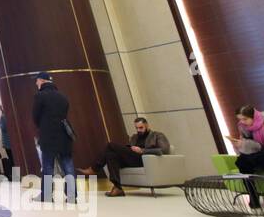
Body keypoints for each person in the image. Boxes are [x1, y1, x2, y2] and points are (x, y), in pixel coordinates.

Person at [80, 117, 171, 197]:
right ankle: (118, 188)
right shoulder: (135, 137)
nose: (138, 130)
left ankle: (94, 168)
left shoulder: (157, 135)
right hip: (133, 158)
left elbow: (164, 150)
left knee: (110, 145)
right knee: (110, 155)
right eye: (136, 128)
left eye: (141, 128)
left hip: (144, 159)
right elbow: (130, 149)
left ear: (147, 125)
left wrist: (143, 150)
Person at [32, 72, 76, 202]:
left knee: (48, 167)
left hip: (48, 136)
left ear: (42, 81)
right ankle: (72, 196)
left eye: (37, 81)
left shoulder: (40, 96)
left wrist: (44, 125)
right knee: (68, 166)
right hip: (64, 135)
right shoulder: (63, 96)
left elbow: (35, 117)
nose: (36, 83)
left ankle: (46, 195)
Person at [0, 103, 14, 180]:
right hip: (12, 140)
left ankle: (15, 177)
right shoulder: (10, 115)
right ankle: (17, 176)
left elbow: (3, 128)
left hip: (7, 141)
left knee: (11, 159)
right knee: (14, 159)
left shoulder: (3, 117)